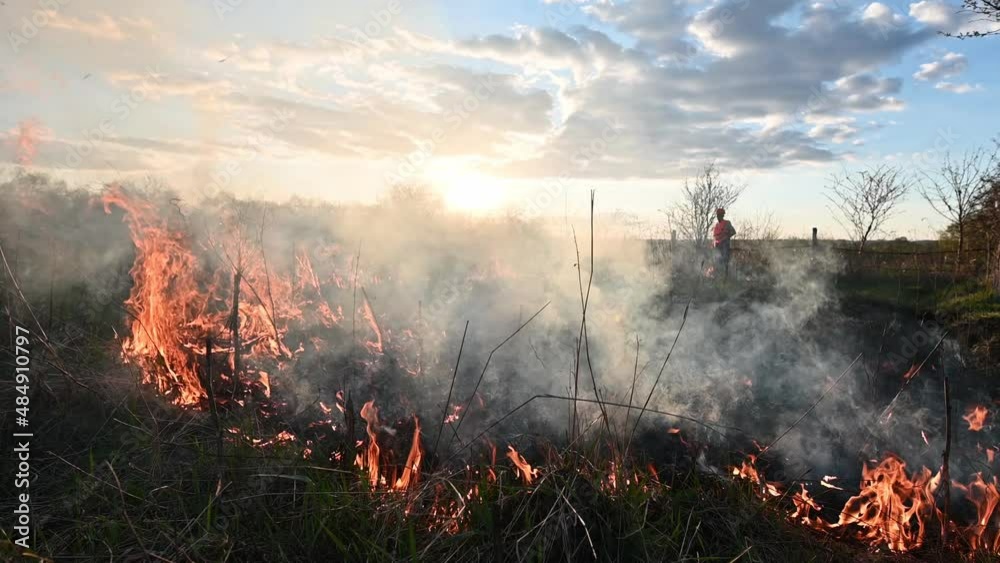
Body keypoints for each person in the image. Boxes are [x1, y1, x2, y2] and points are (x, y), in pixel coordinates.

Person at [712, 207, 736, 280]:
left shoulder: (727, 223)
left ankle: (725, 276)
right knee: (717, 260)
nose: (718, 216)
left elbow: (733, 232)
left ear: (722, 215)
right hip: (717, 245)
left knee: (725, 260)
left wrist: (726, 236)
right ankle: (717, 276)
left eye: (720, 215)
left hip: (725, 244)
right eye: (717, 215)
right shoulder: (716, 225)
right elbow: (714, 237)